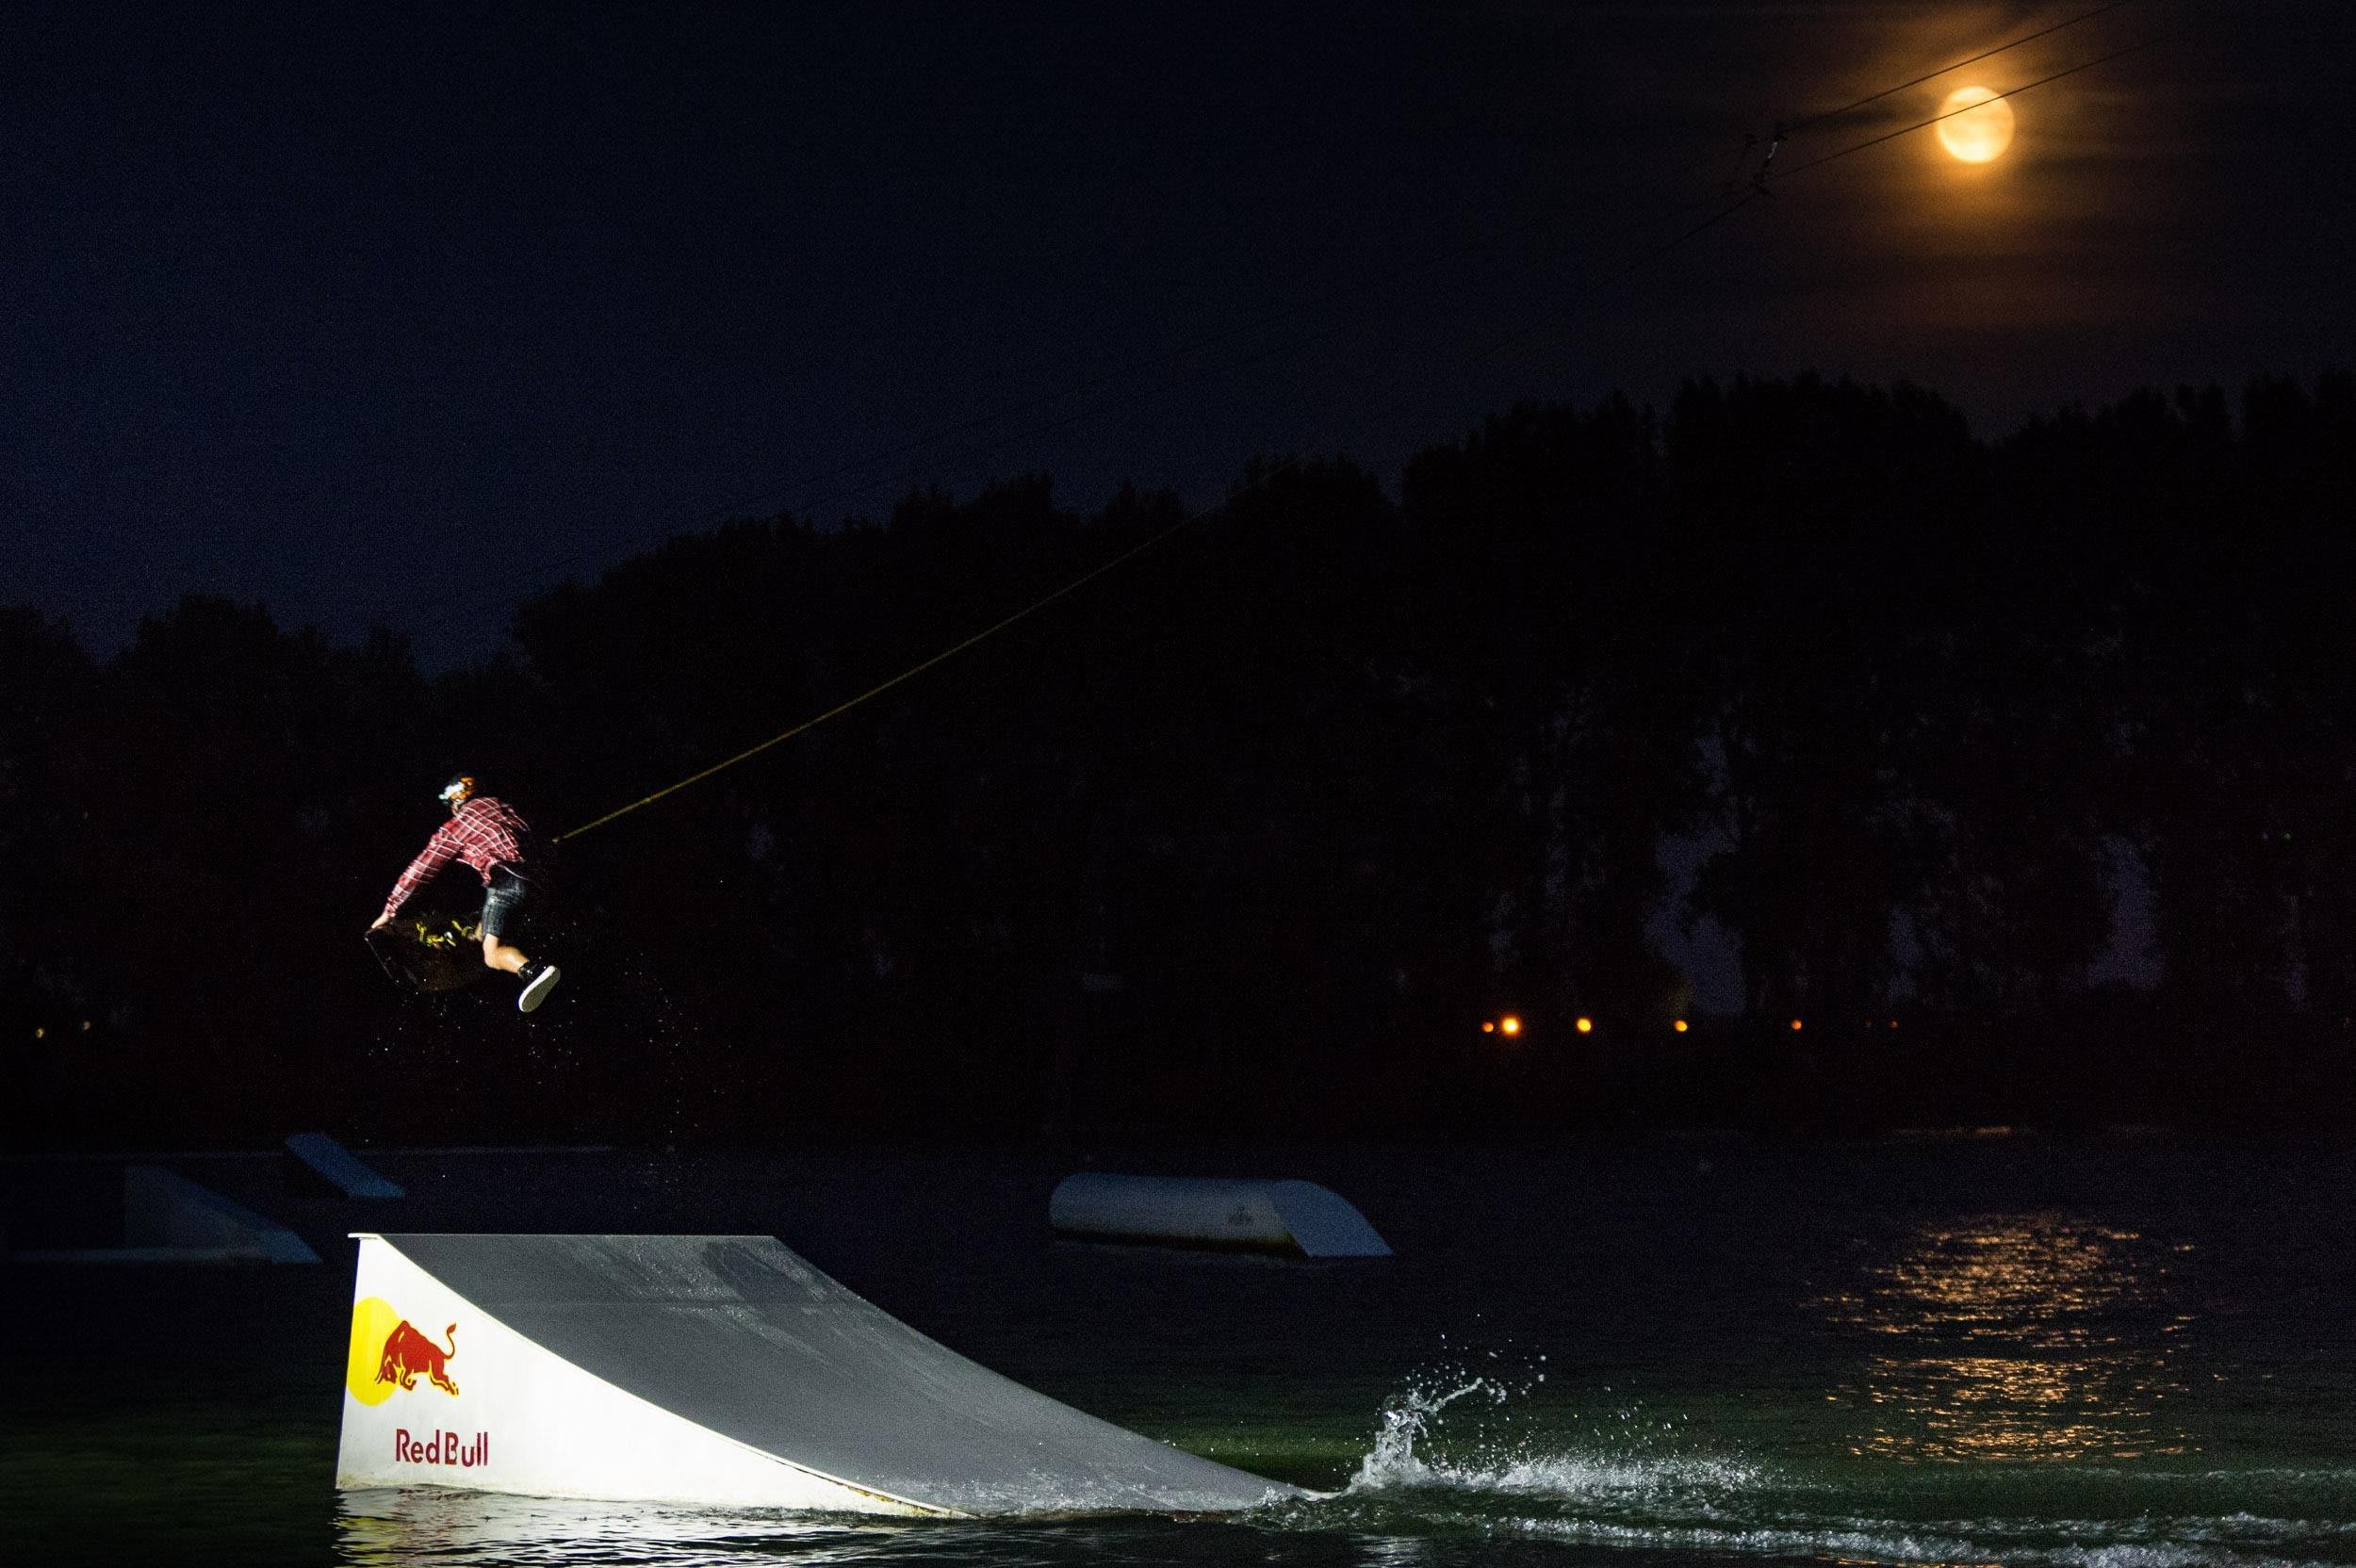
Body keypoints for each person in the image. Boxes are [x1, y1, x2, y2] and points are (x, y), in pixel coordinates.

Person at [369, 775, 563, 1012]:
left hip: (506, 882)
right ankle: (469, 937)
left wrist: (390, 910)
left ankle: (533, 970)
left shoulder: (457, 826)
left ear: (457, 799)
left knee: (491, 955)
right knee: (485, 930)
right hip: (540, 883)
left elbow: (421, 869)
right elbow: (533, 840)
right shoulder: (501, 806)